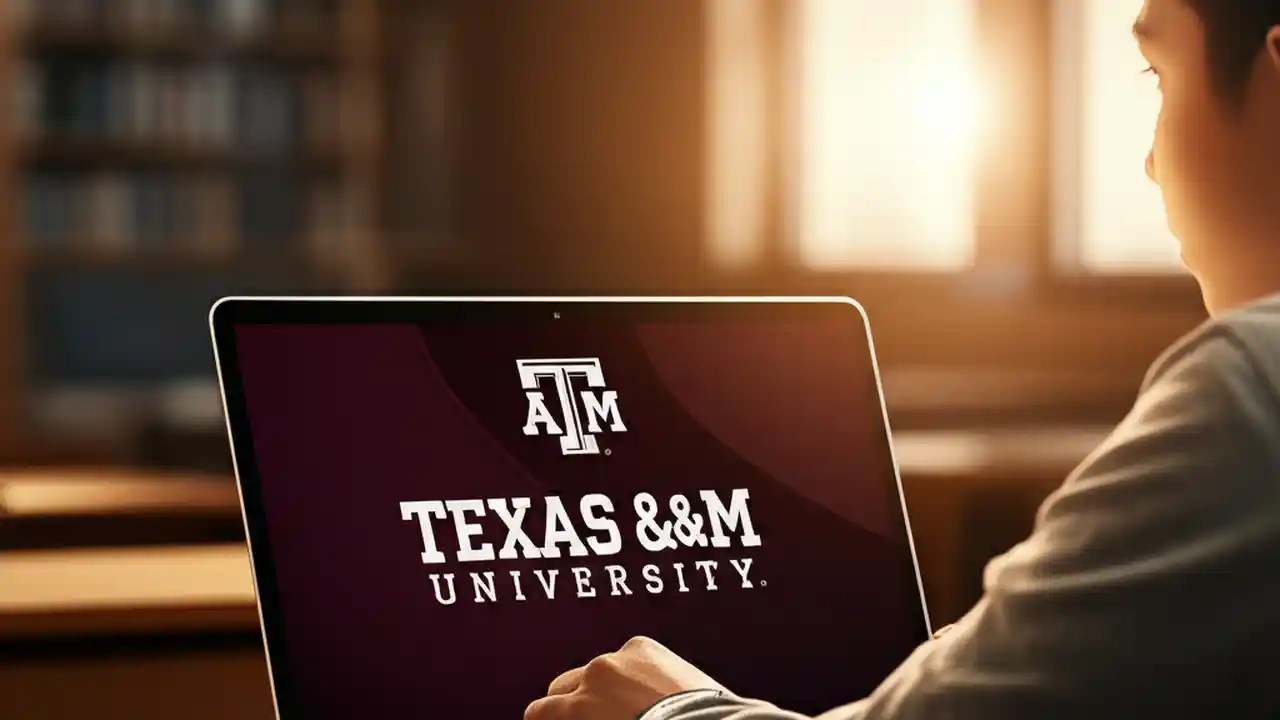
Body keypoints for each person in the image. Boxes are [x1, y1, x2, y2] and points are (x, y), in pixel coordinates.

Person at [524, 0, 1280, 717]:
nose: (1150, 162)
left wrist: (670, 711)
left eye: (1161, 76)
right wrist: (1003, 658)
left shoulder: (1249, 385)